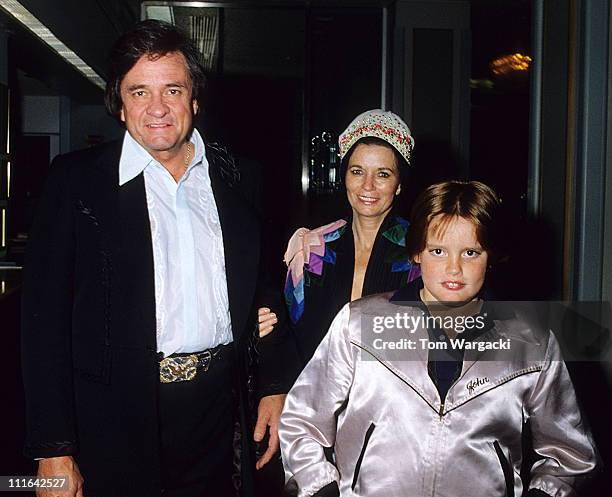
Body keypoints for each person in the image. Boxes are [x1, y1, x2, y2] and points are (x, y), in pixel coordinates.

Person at [21, 20, 286, 497]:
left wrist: (272, 383)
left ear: (195, 101)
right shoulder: (77, 183)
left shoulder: (239, 177)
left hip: (218, 415)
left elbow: (263, 285)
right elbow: (43, 324)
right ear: (120, 105)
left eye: (173, 90)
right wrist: (53, 448)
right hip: (113, 418)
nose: (158, 108)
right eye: (139, 92)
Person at [278, 180, 598, 497]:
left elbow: (569, 453)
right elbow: (301, 420)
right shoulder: (359, 323)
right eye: (438, 250)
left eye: (471, 252)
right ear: (417, 251)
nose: (454, 268)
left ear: (492, 256)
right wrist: (320, 488)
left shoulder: (532, 342)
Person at [258, 109, 420, 369]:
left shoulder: (424, 253)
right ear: (344, 177)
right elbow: (288, 336)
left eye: (382, 174)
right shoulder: (311, 249)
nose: (367, 186)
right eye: (357, 171)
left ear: (399, 184)